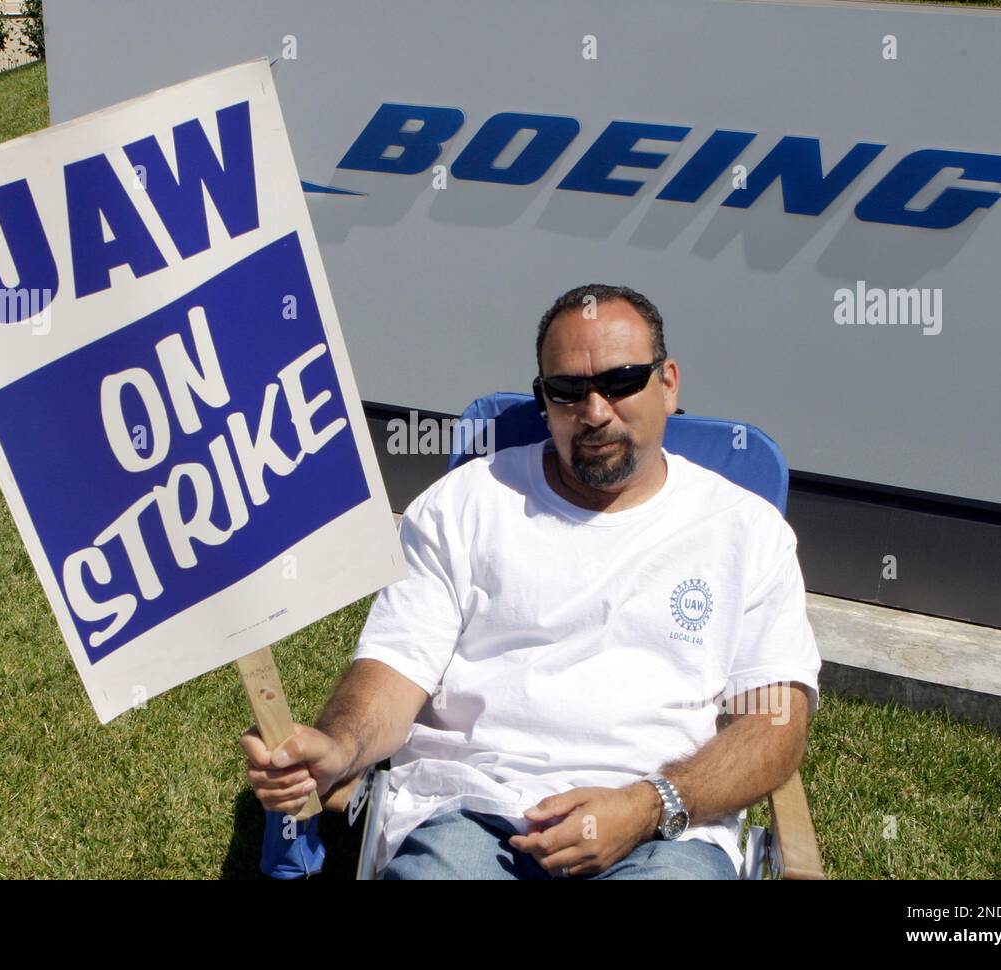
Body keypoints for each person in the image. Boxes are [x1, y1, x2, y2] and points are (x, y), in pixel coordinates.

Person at [240, 283, 822, 879]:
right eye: (568, 390)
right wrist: (339, 747)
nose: (595, 412)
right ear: (543, 399)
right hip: (473, 812)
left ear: (668, 383)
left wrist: (649, 805)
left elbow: (774, 725)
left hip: (662, 830)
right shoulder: (462, 506)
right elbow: (392, 671)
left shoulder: (746, 532)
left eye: (622, 382)